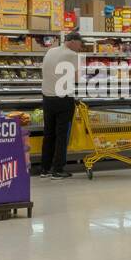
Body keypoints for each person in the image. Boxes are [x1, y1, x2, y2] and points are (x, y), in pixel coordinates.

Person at [39, 31, 85, 178]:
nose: (80, 48)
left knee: (49, 134)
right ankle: (58, 169)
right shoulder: (72, 55)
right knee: (62, 135)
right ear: (73, 41)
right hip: (63, 99)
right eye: (80, 44)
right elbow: (77, 79)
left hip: (47, 98)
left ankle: (45, 169)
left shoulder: (51, 51)